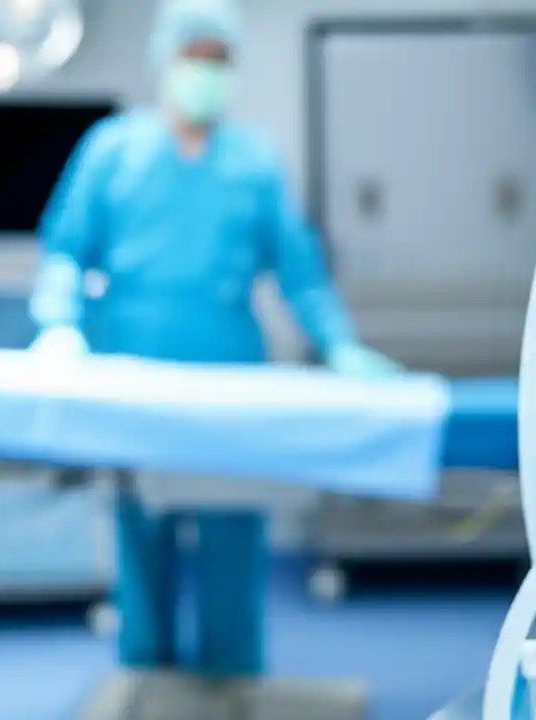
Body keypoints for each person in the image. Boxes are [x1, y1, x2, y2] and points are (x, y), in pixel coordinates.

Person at [29, 0, 399, 678]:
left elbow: (300, 273)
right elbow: (63, 251)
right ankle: (149, 684)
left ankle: (233, 687)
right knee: (144, 542)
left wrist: (339, 344)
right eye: (193, 58)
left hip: (230, 368)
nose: (204, 73)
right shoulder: (112, 149)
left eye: (218, 61)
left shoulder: (254, 162)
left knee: (232, 537)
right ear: (163, 62)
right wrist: (57, 326)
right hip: (129, 368)